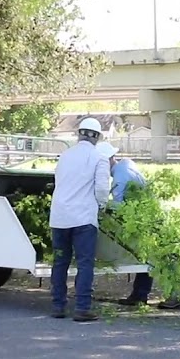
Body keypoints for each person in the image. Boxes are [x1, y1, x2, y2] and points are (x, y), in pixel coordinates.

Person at [96, 141, 180, 310]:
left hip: (147, 218)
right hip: (150, 214)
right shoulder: (127, 164)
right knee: (147, 257)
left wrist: (102, 208)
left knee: (157, 258)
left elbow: (119, 206)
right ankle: (139, 295)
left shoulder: (119, 178)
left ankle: (174, 295)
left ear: (106, 161)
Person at [48, 117, 111, 322]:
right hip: (83, 218)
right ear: (98, 137)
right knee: (84, 263)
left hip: (59, 216)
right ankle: (82, 308)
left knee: (60, 262)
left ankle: (58, 305)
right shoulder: (99, 157)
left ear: (79, 134)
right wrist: (102, 206)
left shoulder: (64, 156)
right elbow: (102, 189)